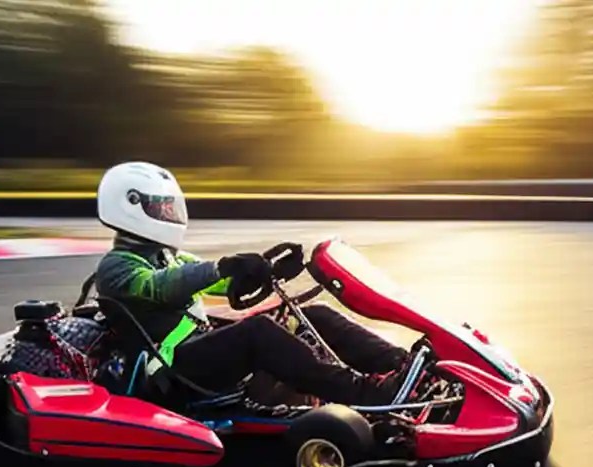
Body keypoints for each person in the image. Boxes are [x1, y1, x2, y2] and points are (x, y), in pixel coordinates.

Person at [93, 161, 409, 405]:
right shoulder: (116, 267)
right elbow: (160, 286)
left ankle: (403, 366)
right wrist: (221, 267)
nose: (168, 213)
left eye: (168, 206)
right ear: (130, 206)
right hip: (170, 372)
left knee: (315, 315)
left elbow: (214, 279)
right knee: (257, 333)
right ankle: (366, 394)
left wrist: (264, 269)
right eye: (160, 207)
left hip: (200, 351)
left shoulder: (166, 256)